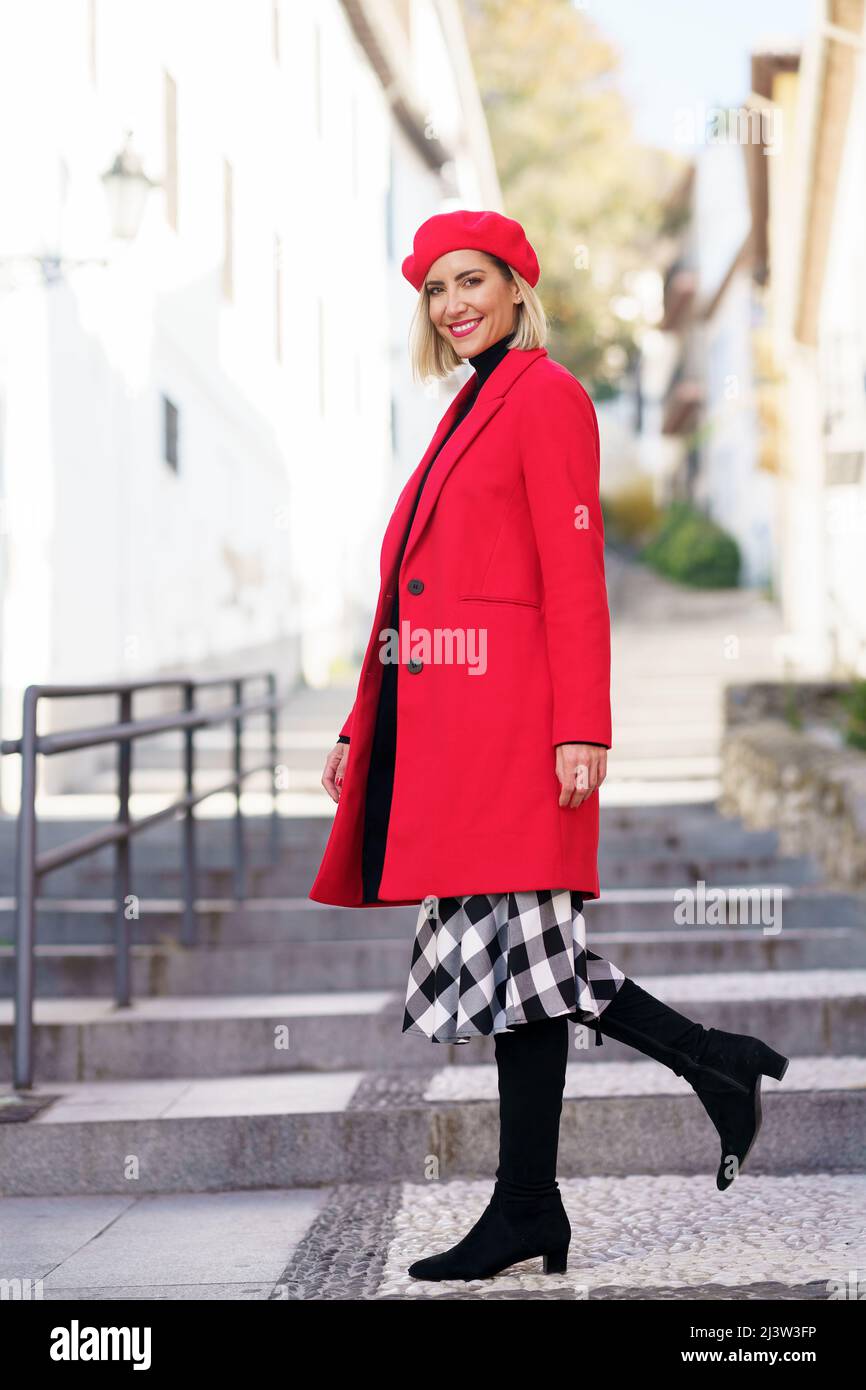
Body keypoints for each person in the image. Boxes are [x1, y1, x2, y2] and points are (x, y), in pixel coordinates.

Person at [309, 209, 789, 1283]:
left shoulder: (547, 395)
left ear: (519, 287)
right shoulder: (460, 408)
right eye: (435, 290)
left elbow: (573, 572)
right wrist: (360, 722)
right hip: (448, 735)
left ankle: (546, 1194)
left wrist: (580, 723)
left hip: (514, 732)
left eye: (471, 280)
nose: (452, 303)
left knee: (526, 961)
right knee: (529, 966)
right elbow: (410, 590)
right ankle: (695, 1081)